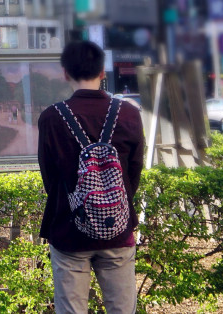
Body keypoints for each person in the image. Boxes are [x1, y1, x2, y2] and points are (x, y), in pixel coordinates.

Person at [38, 40, 145, 314]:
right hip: (118, 231)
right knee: (122, 309)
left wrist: (78, 204)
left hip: (68, 229)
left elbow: (49, 177)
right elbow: (134, 171)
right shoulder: (130, 114)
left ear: (65, 73)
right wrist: (111, 205)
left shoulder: (51, 118)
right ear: (103, 72)